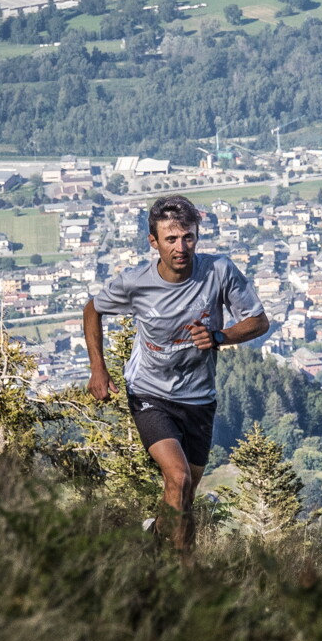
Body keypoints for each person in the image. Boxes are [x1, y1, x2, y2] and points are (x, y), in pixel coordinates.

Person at [85, 194, 269, 552]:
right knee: (178, 477)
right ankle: (184, 574)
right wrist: (98, 368)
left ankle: (151, 542)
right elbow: (92, 308)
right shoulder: (136, 283)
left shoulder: (219, 271)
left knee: (185, 493)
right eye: (170, 239)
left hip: (199, 398)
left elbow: (258, 322)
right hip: (150, 393)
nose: (180, 246)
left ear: (197, 237)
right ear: (154, 242)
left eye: (188, 237)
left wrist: (219, 337)